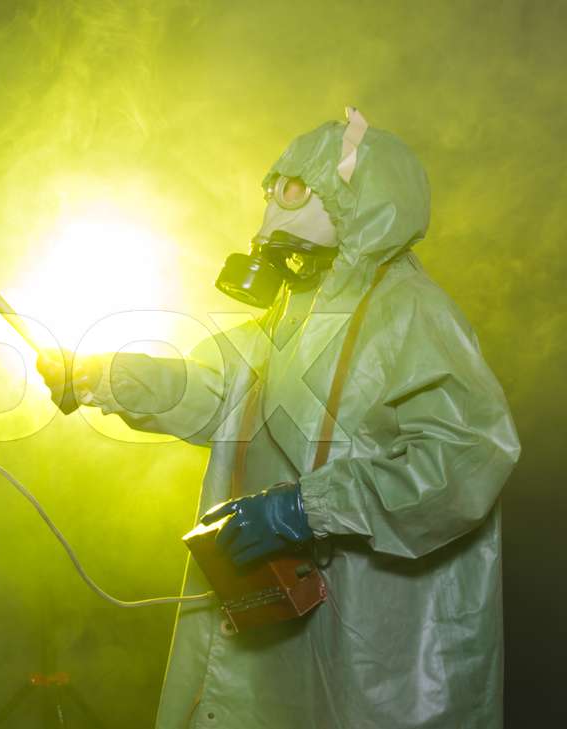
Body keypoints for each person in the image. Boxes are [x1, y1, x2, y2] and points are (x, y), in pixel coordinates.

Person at [35, 109, 519, 728]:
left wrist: (304, 509)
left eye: (292, 189)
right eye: (272, 190)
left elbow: (465, 457)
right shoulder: (292, 315)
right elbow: (215, 392)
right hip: (273, 616)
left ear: (357, 195)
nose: (271, 209)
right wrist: (102, 375)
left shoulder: (411, 313)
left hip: (373, 629)